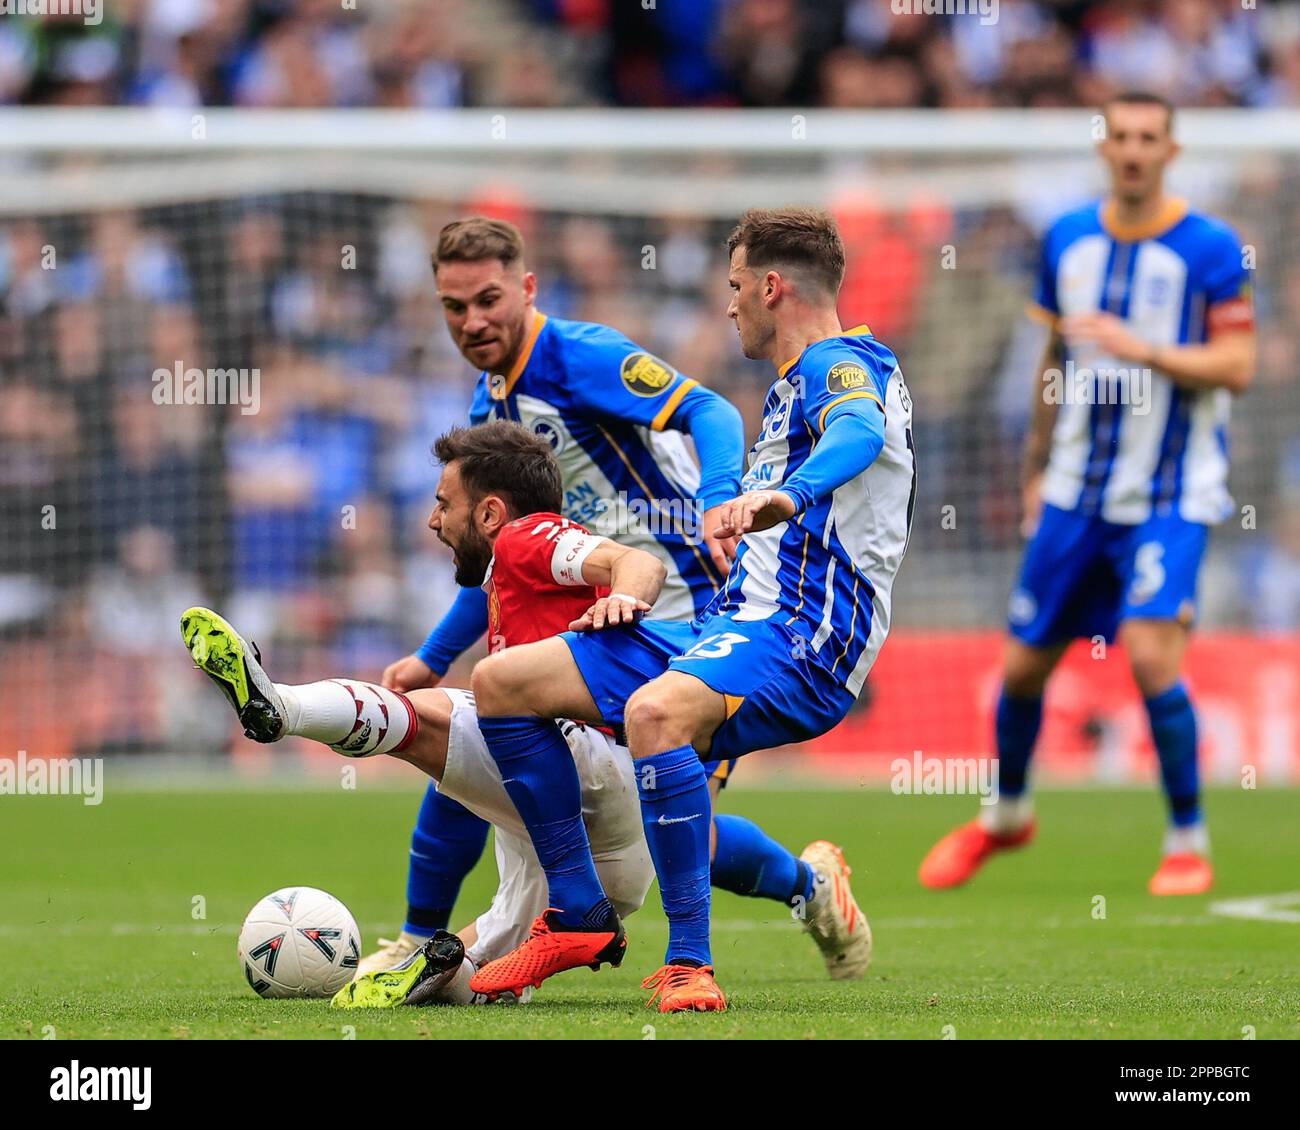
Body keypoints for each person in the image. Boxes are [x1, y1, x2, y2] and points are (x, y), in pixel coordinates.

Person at [183, 420, 861, 1005]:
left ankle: (283, 708)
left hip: (606, 761)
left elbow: (632, 562)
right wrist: (429, 652)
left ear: (489, 512)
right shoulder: (502, 572)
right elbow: (489, 602)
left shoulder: (528, 536)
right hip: (590, 827)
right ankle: (808, 886)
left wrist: (624, 594)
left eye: (443, 503)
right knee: (465, 978)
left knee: (440, 718)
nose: (431, 520)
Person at [462, 207, 916, 1011]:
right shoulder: (786, 390)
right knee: (503, 684)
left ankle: (690, 966)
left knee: (657, 720)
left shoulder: (843, 364)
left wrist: (785, 493)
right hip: (732, 621)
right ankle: (577, 912)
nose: (729, 304)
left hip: (807, 637)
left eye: (736, 286)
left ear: (772, 287)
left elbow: (859, 428)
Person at [362, 217, 819, 976]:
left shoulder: (579, 355)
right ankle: (418, 942)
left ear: (527, 287)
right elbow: (502, 570)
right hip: (605, 628)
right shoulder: (488, 416)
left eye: (488, 299)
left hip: (689, 612)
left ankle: (809, 889)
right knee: (475, 738)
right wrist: (429, 657)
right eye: (454, 306)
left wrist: (717, 499)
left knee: (675, 831)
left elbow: (709, 409)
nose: (473, 321)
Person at [919, 92, 1256, 897]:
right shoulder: (1068, 239)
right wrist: (1037, 466)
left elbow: (1239, 366)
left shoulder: (1209, 247)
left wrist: (1145, 349)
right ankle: (1007, 816)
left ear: (1171, 151)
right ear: (1104, 148)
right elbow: (1053, 361)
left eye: (1150, 137)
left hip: (1170, 492)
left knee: (1147, 653)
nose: (1135, 150)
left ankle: (1187, 840)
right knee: (1024, 667)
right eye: (1122, 137)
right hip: (1074, 492)